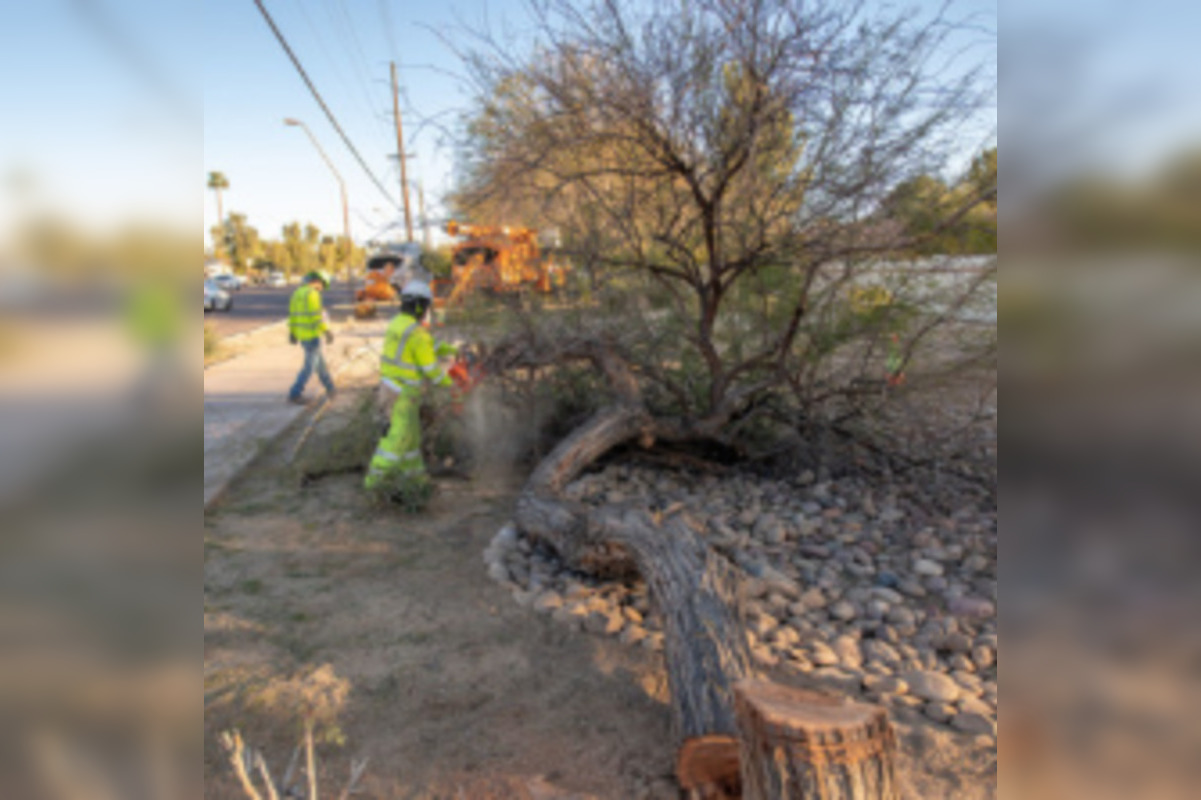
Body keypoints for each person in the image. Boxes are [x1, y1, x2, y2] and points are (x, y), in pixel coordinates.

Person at [364, 280, 458, 492]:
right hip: (402, 394)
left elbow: (429, 345)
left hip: (392, 388)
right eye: (425, 306)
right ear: (419, 306)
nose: (426, 312)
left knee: (412, 441)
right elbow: (432, 371)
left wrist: (451, 350)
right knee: (395, 441)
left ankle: (415, 481)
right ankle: (374, 484)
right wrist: (451, 383)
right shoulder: (417, 333)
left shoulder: (398, 323)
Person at [287, 270, 336, 404]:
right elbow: (317, 316)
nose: (322, 290)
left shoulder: (297, 293)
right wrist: (327, 331)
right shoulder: (312, 294)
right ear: (318, 282)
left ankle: (331, 389)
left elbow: (293, 315)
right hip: (312, 336)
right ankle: (295, 393)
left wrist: (292, 332)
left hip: (302, 336)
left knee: (320, 365)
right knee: (309, 367)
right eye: (323, 286)